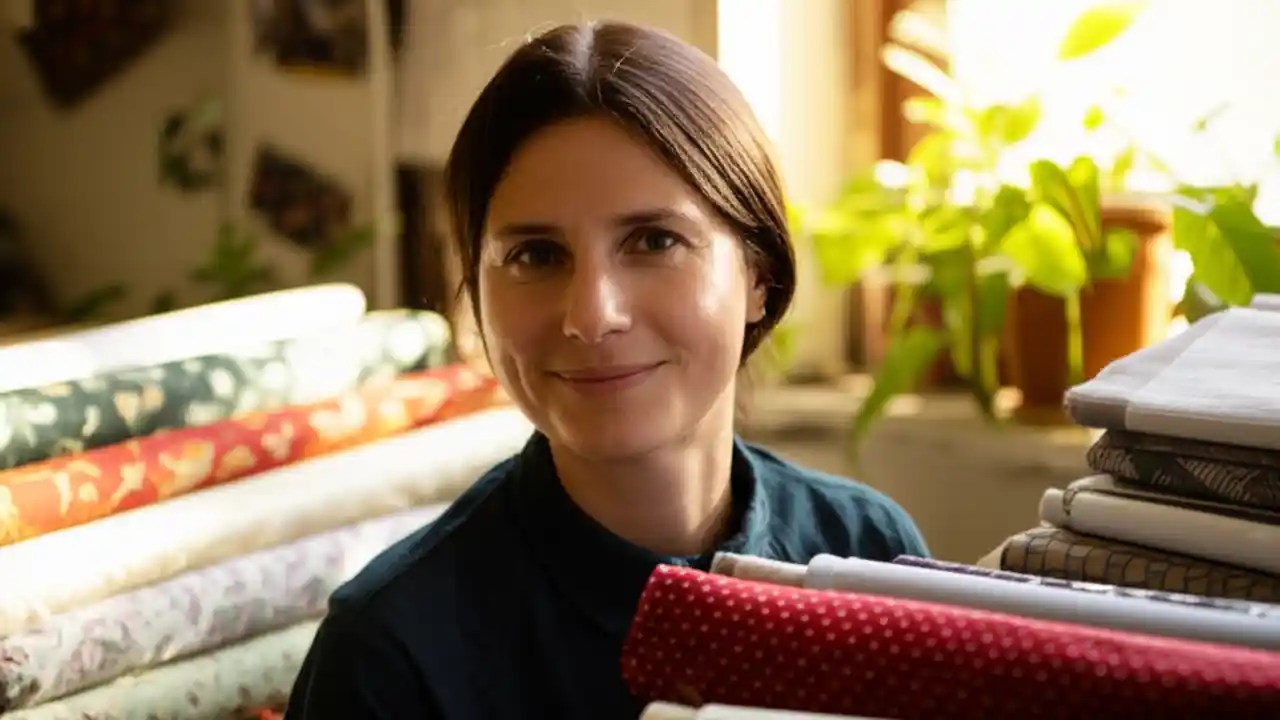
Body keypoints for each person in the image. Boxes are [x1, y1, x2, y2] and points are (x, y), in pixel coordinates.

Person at [285, 20, 928, 719]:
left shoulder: (870, 559)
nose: (592, 315)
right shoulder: (391, 655)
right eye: (535, 255)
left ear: (759, 276)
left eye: (653, 241)